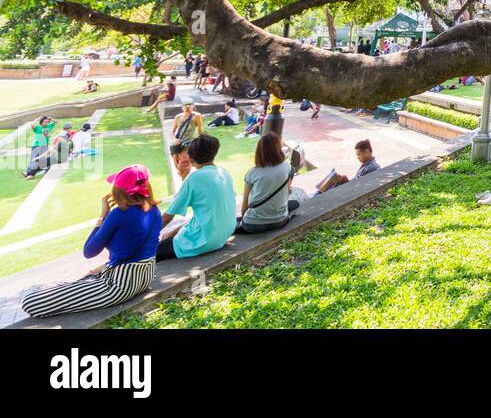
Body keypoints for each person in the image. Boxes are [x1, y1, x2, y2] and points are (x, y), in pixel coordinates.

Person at [20, 165, 161, 318]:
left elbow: (89, 251)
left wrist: (102, 216)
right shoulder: (154, 210)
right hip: (145, 277)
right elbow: (137, 248)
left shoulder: (119, 214)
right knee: (49, 288)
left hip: (119, 286)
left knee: (30, 301)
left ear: (119, 191)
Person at [156, 133, 236, 261]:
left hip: (203, 241)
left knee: (152, 252)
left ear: (191, 158)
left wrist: (143, 238)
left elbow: (167, 218)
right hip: (224, 234)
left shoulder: (194, 178)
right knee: (173, 232)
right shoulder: (223, 172)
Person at [236, 133, 300, 233]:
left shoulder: (253, 173)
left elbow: (244, 206)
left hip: (252, 224)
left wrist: (245, 218)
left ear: (259, 150)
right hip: (279, 220)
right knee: (295, 204)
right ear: (278, 148)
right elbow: (286, 194)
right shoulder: (286, 166)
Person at [316, 139, 383, 193]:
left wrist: (345, 181)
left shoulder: (372, 167)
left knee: (325, 190)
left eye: (359, 154)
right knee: (327, 184)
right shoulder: (367, 165)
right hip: (350, 189)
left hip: (351, 193)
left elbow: (358, 188)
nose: (358, 157)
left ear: (367, 152)